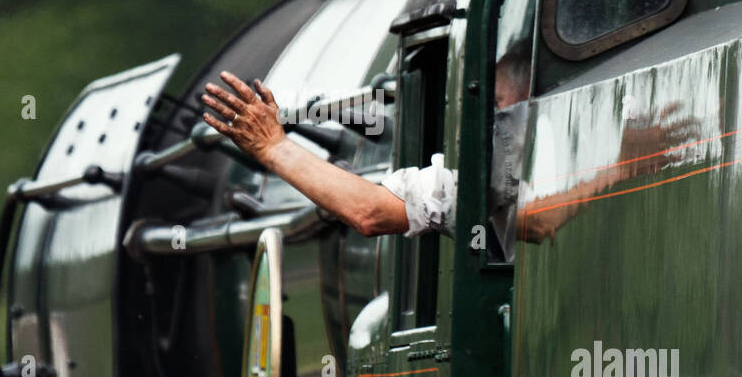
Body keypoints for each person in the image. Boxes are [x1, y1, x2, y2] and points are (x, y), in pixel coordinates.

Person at [201, 40, 531, 244]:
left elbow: (370, 212)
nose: (492, 114)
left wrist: (273, 147)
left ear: (529, 95)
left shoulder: (512, 143)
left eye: (498, 101)